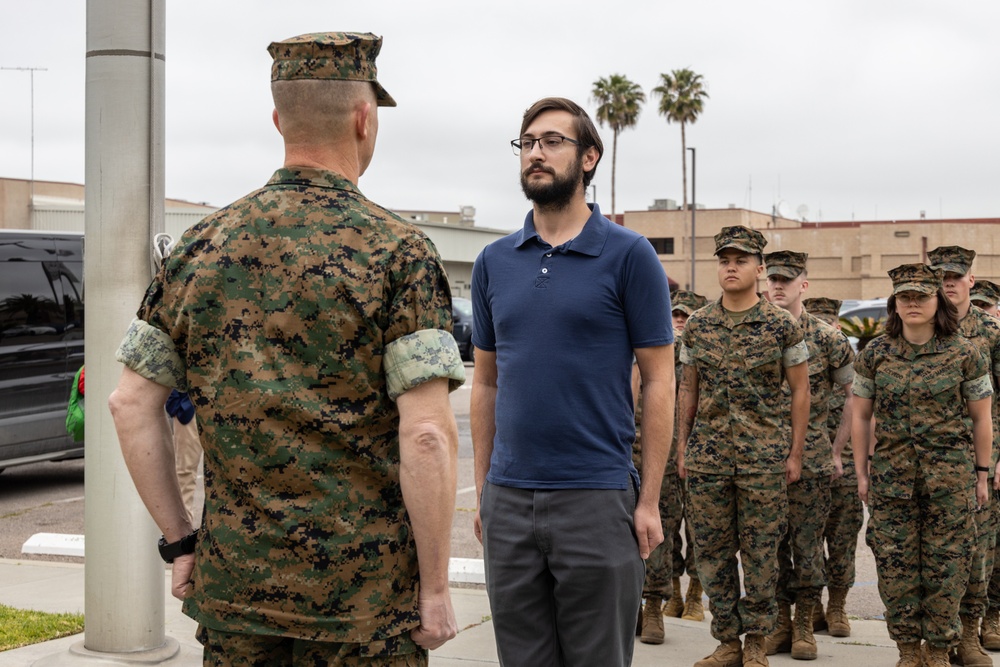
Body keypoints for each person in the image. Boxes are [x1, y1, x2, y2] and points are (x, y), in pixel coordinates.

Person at [109, 32, 465, 665]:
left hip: (236, 596)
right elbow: (428, 436)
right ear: (365, 119)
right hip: (364, 606)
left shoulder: (200, 248)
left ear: (278, 119)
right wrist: (434, 588)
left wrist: (180, 543)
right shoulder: (399, 252)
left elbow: (129, 403)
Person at [470, 96, 675, 666]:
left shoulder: (630, 256)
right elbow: (484, 384)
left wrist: (650, 501)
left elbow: (660, 381)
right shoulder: (493, 261)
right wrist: (486, 487)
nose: (536, 153)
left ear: (589, 158)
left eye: (552, 141)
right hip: (509, 503)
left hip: (597, 499)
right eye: (527, 142)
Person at [676, 226, 810, 667]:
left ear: (759, 268)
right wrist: (682, 448)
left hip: (763, 462)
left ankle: (756, 642)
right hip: (709, 462)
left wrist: (794, 454)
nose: (730, 267)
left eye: (740, 260)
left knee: (761, 556)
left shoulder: (781, 325)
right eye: (724, 260)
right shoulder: (698, 326)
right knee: (712, 554)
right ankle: (728, 641)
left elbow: (800, 392)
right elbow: (688, 391)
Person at [853, 263, 993, 667]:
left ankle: (938, 651)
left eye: (922, 296)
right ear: (894, 304)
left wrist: (982, 475)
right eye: (905, 297)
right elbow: (861, 415)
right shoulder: (876, 353)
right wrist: (863, 472)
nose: (913, 303)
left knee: (948, 569)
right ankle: (908, 651)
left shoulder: (967, 352)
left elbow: (982, 418)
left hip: (950, 480)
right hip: (892, 481)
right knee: (896, 570)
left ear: (938, 301)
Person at [763, 252, 854, 661]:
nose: (778, 286)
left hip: (812, 461)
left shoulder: (827, 338)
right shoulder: (757, 331)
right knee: (768, 547)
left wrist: (837, 449)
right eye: (773, 279)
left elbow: (856, 397)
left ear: (804, 285)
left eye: (787, 279)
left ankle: (804, 626)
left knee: (807, 545)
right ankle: (780, 623)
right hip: (760, 460)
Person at [927, 246, 1000, 667]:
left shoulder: (990, 332)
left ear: (971, 279)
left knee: (978, 552)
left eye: (956, 275)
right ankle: (936, 636)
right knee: (937, 557)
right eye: (941, 276)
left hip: (982, 462)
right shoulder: (918, 328)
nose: (948, 282)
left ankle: (970, 635)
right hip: (934, 465)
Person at [638, 289, 707, 645]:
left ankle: (690, 594)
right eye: (675, 315)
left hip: (696, 453)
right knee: (654, 528)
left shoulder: (702, 349)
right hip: (649, 451)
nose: (679, 321)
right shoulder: (649, 347)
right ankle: (652, 602)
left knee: (696, 530)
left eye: (686, 316)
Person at [803, 296, 864, 639]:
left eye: (830, 323)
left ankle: (837, 605)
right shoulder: (799, 362)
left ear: (838, 327)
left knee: (842, 537)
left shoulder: (849, 366)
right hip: (809, 464)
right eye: (820, 322)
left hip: (844, 467)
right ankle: (810, 606)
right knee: (807, 541)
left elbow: (863, 411)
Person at [165, 389, 203, 525]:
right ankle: (184, 531)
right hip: (191, 407)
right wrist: (179, 405)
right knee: (185, 473)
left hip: (226, 405)